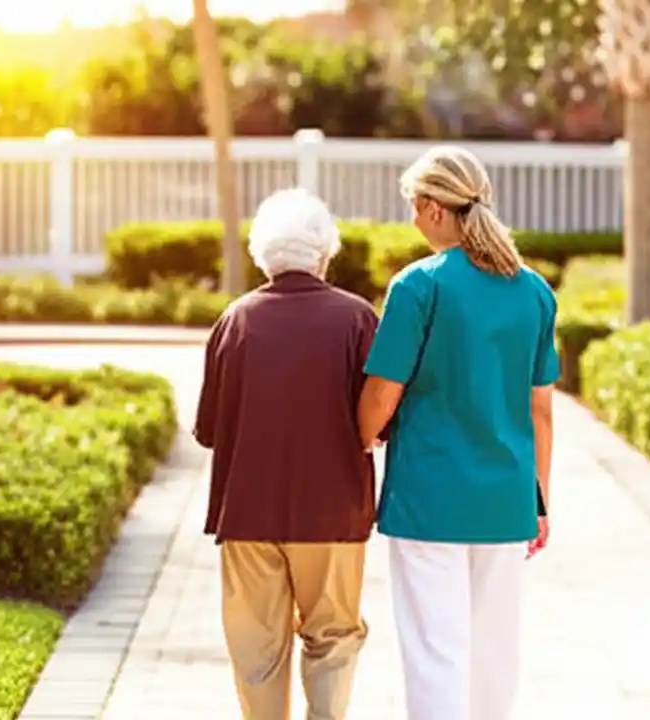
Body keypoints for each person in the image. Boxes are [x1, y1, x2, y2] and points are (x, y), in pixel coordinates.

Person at [357, 146, 559, 720]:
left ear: (431, 207)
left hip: (429, 500)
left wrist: (361, 437)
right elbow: (540, 409)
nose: (414, 222)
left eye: (414, 209)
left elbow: (381, 394)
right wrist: (538, 498)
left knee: (435, 651)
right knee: (495, 651)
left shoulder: (418, 286)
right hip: (506, 501)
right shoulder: (535, 291)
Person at [193, 188, 379, 720]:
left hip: (246, 513)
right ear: (325, 253)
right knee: (333, 638)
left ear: (262, 254)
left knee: (256, 651)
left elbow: (210, 431)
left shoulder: (234, 320)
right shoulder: (357, 319)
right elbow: (381, 417)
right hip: (333, 514)